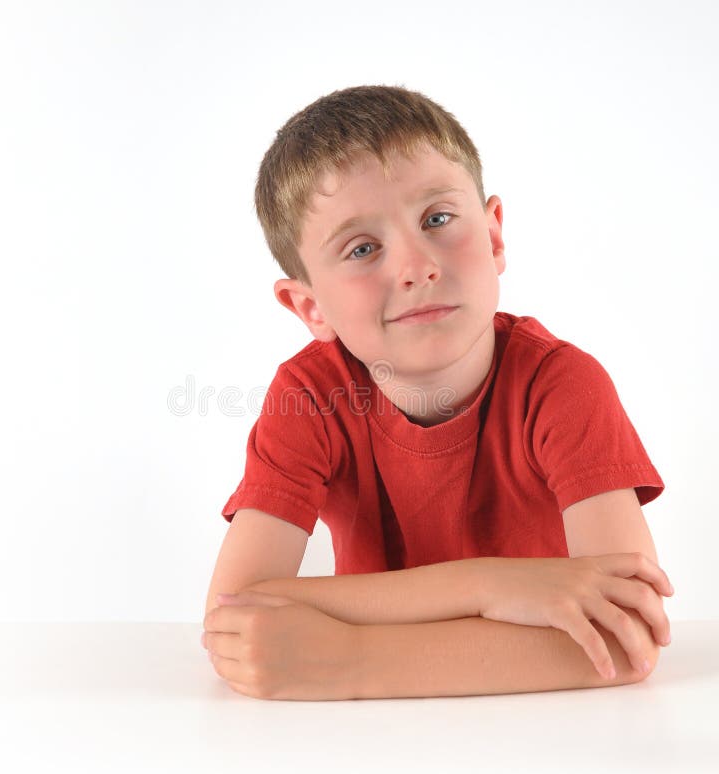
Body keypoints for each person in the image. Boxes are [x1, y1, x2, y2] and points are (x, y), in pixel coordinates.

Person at [201, 84, 675, 701]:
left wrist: (351, 659)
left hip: (553, 737)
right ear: (310, 306)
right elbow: (234, 619)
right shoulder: (311, 396)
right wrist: (492, 587)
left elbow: (625, 635)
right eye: (363, 248)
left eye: (438, 219)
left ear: (495, 235)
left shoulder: (562, 384)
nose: (417, 266)